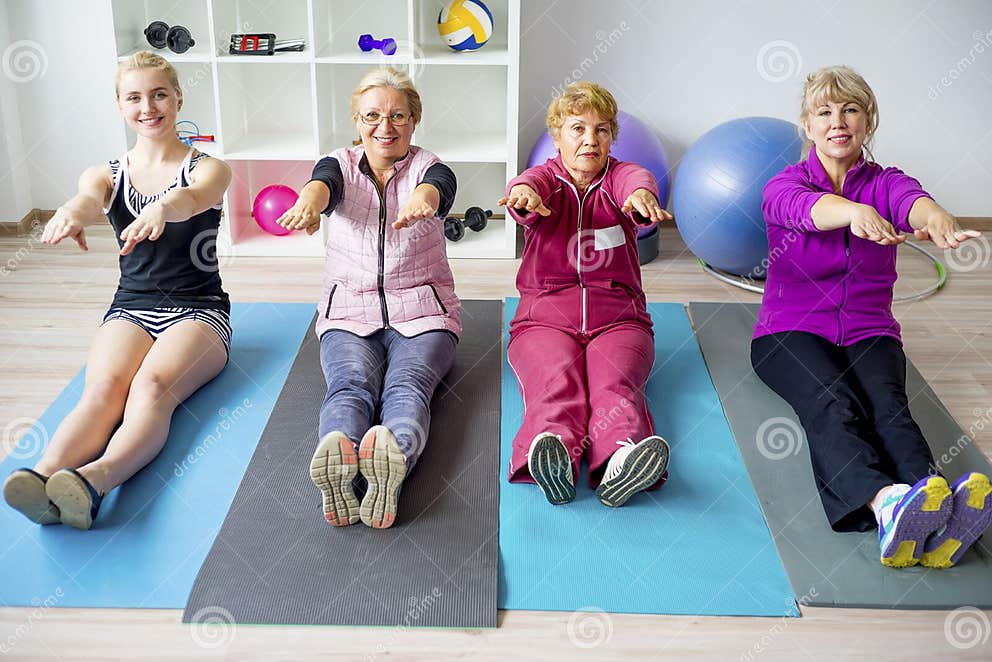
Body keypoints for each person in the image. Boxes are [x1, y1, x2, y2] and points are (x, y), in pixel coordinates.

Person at [752, 65, 990, 568]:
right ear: (808, 124)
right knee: (834, 403)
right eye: (825, 112)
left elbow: (914, 203)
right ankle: (885, 505)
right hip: (788, 330)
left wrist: (938, 218)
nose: (838, 121)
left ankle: (937, 510)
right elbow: (805, 210)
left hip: (869, 328)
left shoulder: (886, 182)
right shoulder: (785, 184)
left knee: (890, 408)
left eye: (851, 109)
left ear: (868, 120)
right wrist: (853, 212)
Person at [2, 51, 233, 530]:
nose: (148, 107)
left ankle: (92, 482)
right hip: (131, 306)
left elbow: (192, 199)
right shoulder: (107, 172)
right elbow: (88, 199)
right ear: (119, 105)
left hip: (199, 311)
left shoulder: (210, 167)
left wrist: (163, 208)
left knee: (149, 389)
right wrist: (71, 215)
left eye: (159, 94)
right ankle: (43, 481)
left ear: (177, 98)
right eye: (134, 98)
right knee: (102, 390)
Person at [276, 67, 458, 529]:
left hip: (423, 311)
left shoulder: (428, 167)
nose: (385, 126)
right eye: (372, 115)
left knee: (408, 385)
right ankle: (340, 457)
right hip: (348, 310)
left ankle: (391, 466)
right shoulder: (338, 164)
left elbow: (438, 184)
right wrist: (308, 204)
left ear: (414, 121)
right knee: (350, 386)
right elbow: (321, 185)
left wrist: (424, 199)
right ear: (356, 121)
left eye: (398, 115)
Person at [498, 81, 672, 507]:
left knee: (614, 386)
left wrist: (641, 196)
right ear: (556, 137)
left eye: (601, 130)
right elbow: (528, 186)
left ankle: (620, 461)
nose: (590, 140)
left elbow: (635, 180)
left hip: (619, 320)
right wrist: (524, 195)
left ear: (612, 137)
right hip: (544, 320)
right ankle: (552, 449)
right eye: (577, 129)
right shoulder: (546, 181)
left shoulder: (620, 178)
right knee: (556, 381)